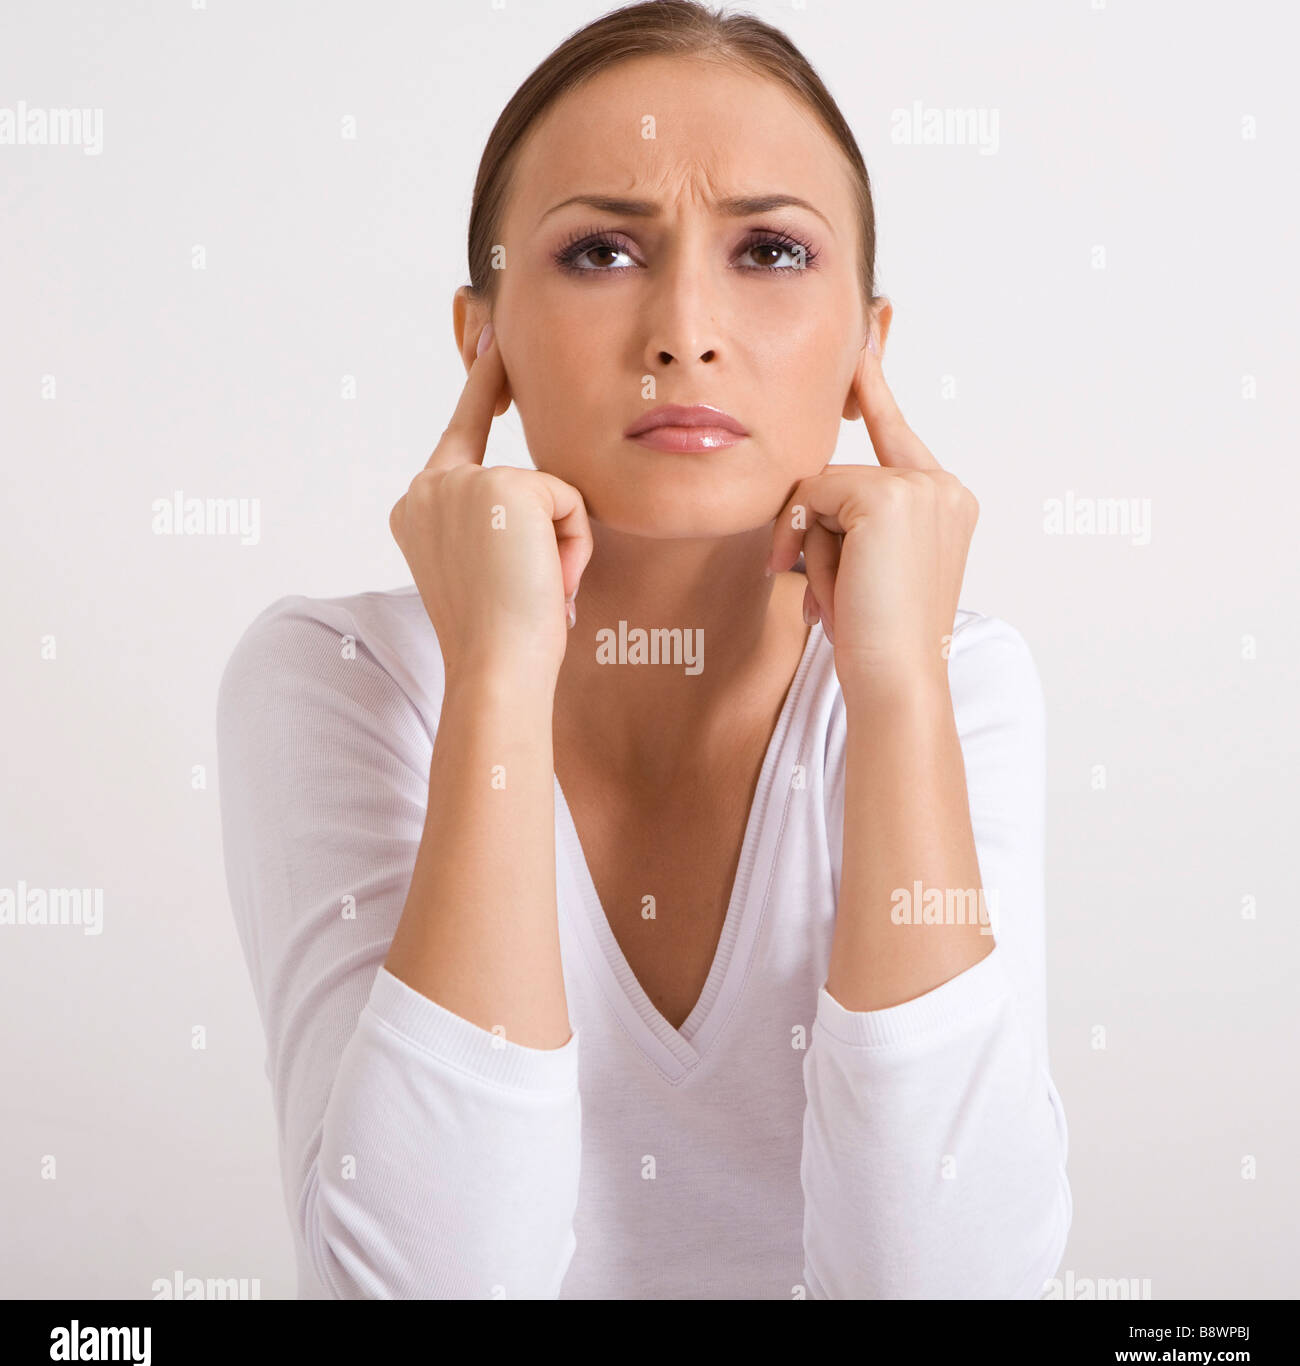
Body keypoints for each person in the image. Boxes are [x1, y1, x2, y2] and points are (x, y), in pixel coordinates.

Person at [216, 0, 1071, 1299]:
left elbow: (953, 1286)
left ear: (866, 349)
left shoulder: (960, 682)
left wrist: (899, 693)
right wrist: (497, 679)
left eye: (772, 250)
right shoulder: (340, 681)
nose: (684, 327)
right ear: (482, 339)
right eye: (604, 250)